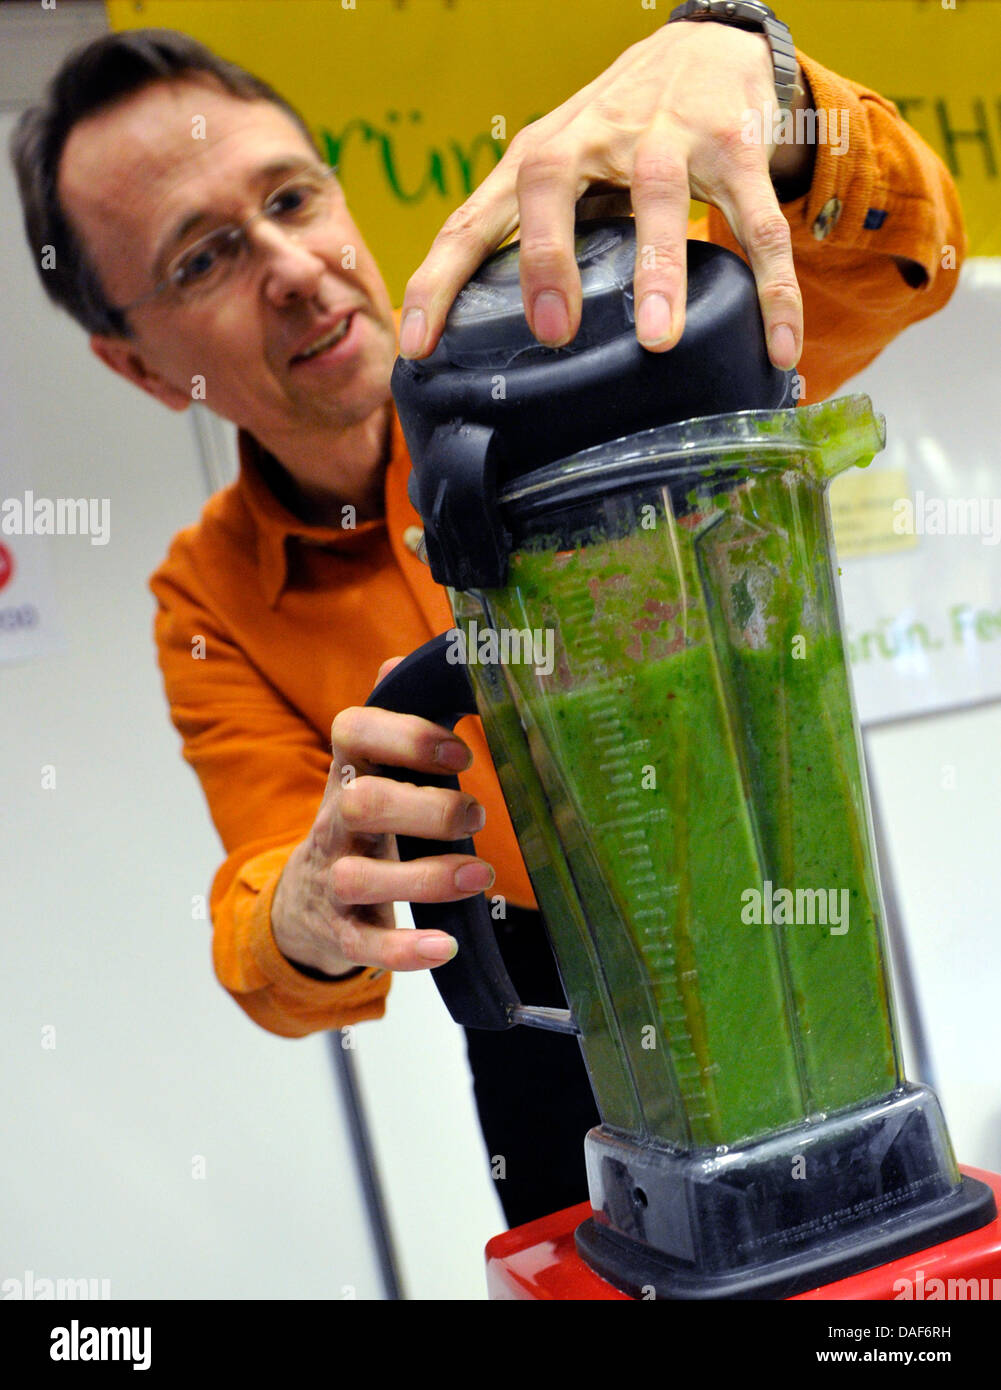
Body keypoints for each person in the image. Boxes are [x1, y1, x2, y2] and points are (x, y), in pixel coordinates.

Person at [11, 19, 964, 1226]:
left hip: (778, 917)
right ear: (139, 368)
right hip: (540, 1026)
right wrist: (307, 903)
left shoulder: (579, 336)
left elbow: (905, 265)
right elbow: (264, 921)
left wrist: (774, 101)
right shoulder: (210, 595)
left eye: (291, 198)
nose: (293, 266)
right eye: (202, 259)